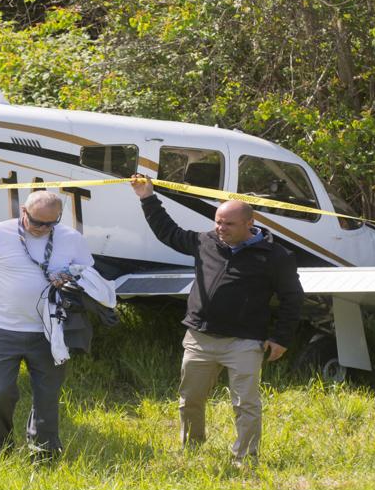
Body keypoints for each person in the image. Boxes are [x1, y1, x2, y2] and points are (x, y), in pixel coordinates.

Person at [129, 174, 304, 464]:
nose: (220, 229)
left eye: (229, 224)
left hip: (245, 342)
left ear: (250, 223)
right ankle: (192, 448)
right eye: (218, 222)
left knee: (246, 404)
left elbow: (293, 298)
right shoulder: (205, 242)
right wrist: (147, 197)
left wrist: (281, 338)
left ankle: (245, 459)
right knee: (190, 400)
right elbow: (168, 232)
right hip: (200, 338)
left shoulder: (276, 256)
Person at [0, 190, 94, 459]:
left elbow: (88, 275)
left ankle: (44, 454)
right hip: (0, 328)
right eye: (37, 222)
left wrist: (71, 277)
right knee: (1, 391)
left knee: (47, 396)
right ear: (23, 212)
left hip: (50, 332)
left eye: (51, 224)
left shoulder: (72, 239)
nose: (43, 229)